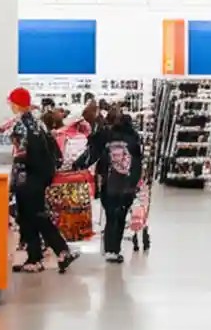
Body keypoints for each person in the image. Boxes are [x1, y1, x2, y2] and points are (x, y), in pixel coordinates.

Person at [8, 87, 80, 274]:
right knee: (31, 218)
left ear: (16, 105)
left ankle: (62, 251)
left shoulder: (20, 126)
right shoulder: (39, 124)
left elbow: (20, 155)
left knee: (35, 217)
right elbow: (53, 150)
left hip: (27, 179)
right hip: (41, 177)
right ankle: (35, 259)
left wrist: (12, 182)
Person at [73, 104, 143, 263]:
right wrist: (136, 182)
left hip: (108, 183)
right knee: (121, 216)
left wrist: (76, 166)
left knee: (111, 216)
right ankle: (114, 248)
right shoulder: (133, 138)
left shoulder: (104, 136)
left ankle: (110, 249)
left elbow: (91, 154)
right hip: (127, 184)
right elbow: (138, 162)